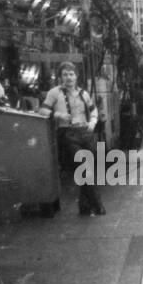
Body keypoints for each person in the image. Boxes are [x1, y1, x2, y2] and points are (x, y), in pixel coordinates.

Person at [39, 62, 102, 215]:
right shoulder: (55, 93)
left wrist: (92, 123)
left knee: (88, 170)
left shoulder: (83, 93)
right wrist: (58, 115)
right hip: (68, 134)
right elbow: (42, 110)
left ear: (76, 76)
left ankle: (84, 206)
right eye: (65, 74)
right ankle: (97, 204)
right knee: (83, 168)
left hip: (85, 133)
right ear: (60, 77)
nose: (69, 77)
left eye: (71, 74)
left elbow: (94, 112)